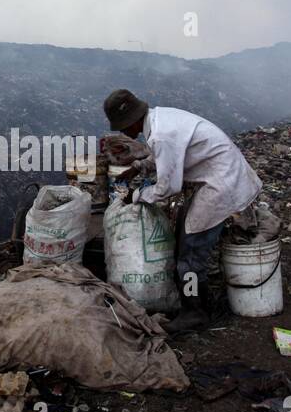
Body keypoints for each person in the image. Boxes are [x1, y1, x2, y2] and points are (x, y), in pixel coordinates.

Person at [103, 89, 261, 333]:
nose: (124, 133)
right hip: (218, 176)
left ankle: (194, 312)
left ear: (132, 121)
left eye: (124, 127)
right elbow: (168, 157)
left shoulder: (160, 135)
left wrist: (137, 196)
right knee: (186, 239)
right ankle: (199, 300)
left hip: (220, 183)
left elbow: (169, 187)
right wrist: (139, 166)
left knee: (190, 255)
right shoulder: (159, 119)